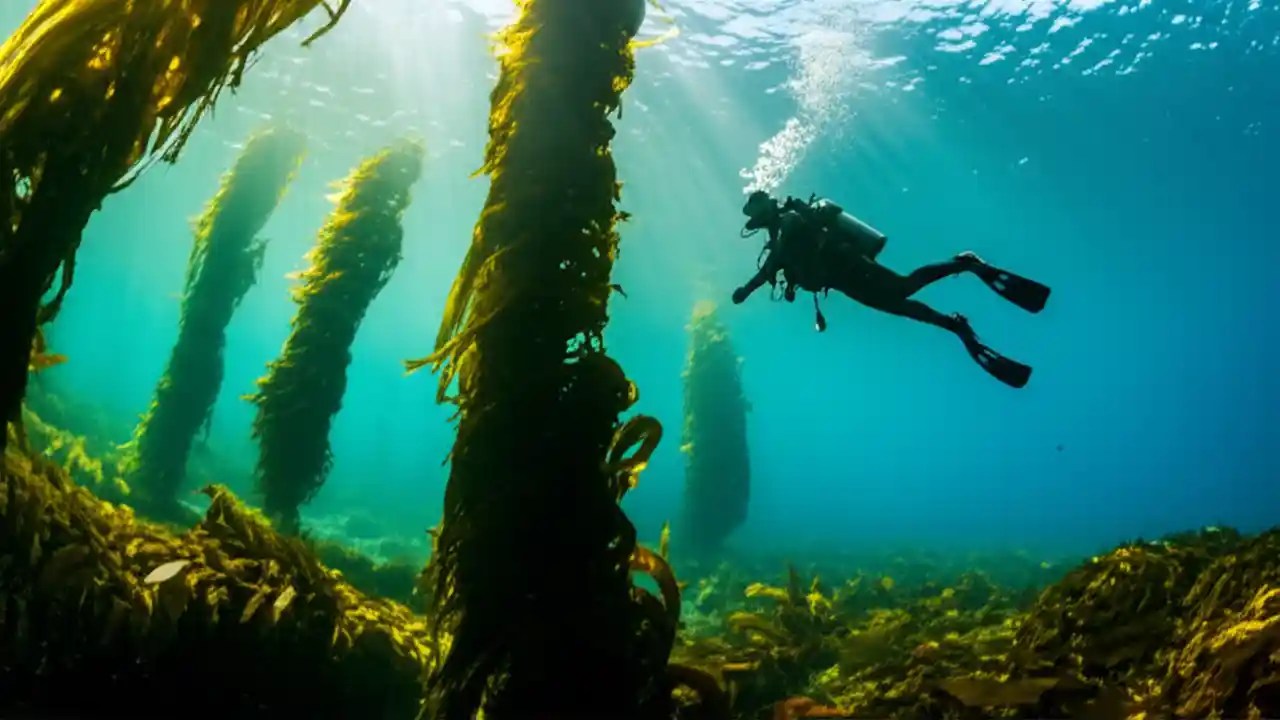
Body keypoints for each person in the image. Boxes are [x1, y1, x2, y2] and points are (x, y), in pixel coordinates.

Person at [730, 190, 1051, 389]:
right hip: (843, 282)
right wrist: (756, 284)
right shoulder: (778, 234)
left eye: (755, 213)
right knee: (901, 306)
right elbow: (776, 264)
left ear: (765, 209)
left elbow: (775, 260)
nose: (754, 221)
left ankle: (963, 263)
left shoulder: (789, 220)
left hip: (851, 267)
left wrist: (748, 287)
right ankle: (953, 324)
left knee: (904, 288)